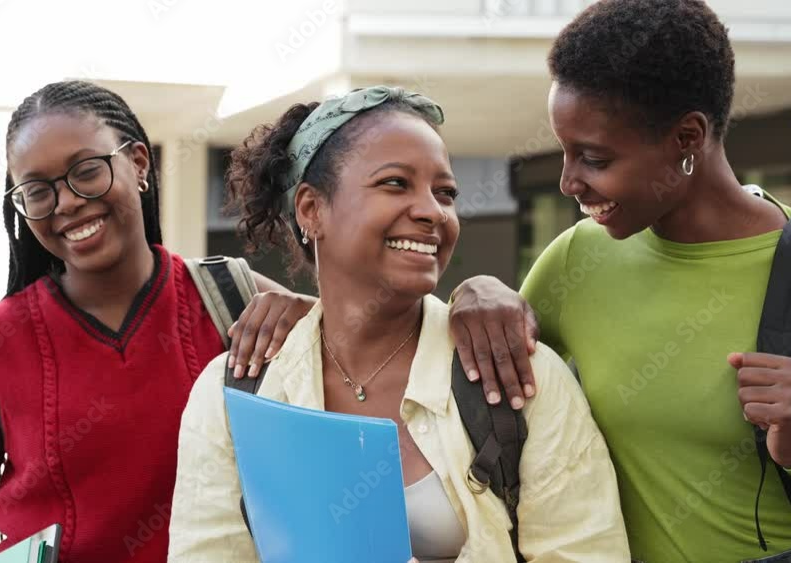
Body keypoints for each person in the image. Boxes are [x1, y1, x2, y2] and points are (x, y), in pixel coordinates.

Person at [444, 1, 791, 562]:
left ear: (687, 138)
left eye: (593, 158)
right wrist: (475, 291)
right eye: (564, 151)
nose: (566, 182)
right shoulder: (577, 258)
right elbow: (487, 400)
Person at [167, 86, 630, 562]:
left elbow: (586, 552)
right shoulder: (235, 393)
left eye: (445, 192)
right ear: (311, 209)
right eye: (395, 183)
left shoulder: (514, 379)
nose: (433, 211)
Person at [0, 80, 313, 563]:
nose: (67, 202)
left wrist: (310, 317)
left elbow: (360, 379)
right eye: (37, 190)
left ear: (138, 164)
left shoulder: (237, 300)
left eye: (86, 171)